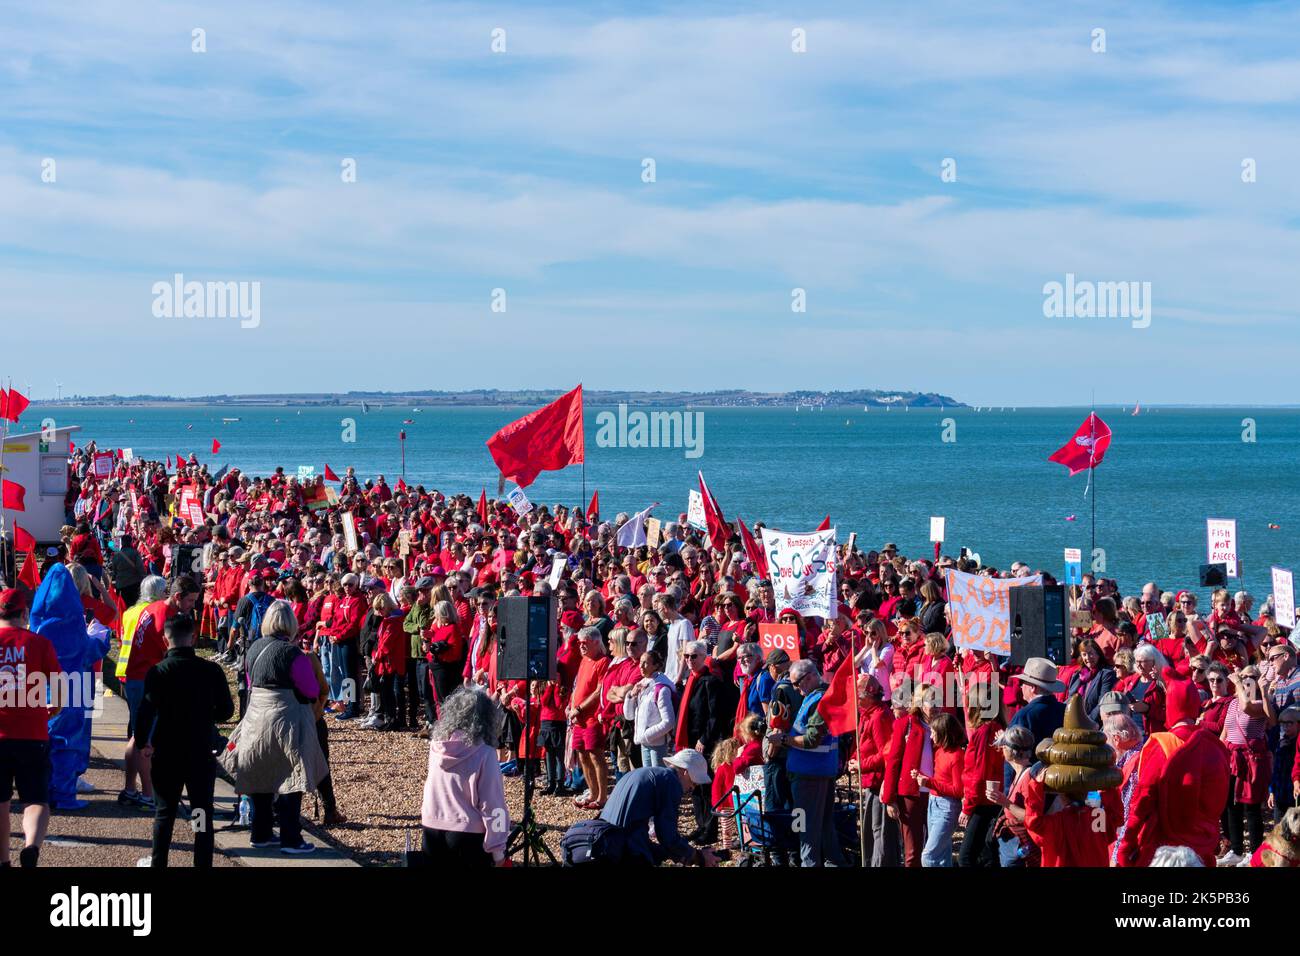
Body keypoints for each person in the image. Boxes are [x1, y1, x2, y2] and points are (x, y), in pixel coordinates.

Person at [220, 600, 328, 854]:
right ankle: (291, 838)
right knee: (292, 776)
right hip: (286, 718)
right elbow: (311, 689)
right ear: (291, 623)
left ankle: (261, 832)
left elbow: (250, 679)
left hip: (256, 715)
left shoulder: (255, 647)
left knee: (260, 774)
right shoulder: (293, 653)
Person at [133, 615, 234, 867]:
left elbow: (144, 712)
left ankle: (159, 862)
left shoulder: (158, 672)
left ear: (165, 640)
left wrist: (142, 742)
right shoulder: (211, 671)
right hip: (200, 749)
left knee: (164, 813)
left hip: (166, 750)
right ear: (194, 637)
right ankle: (201, 863)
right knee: (201, 812)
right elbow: (226, 711)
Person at [1116, 671, 1231, 868]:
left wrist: (1127, 846)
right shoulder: (1215, 747)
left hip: (1165, 851)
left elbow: (1142, 801)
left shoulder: (1162, 745)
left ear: (1170, 707)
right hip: (1203, 848)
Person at [30, 564, 112, 812]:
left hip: (43, 690)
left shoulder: (38, 627)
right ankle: (64, 795)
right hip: (73, 689)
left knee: (45, 741)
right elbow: (92, 650)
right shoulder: (74, 628)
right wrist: (101, 636)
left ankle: (41, 791)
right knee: (67, 742)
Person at [0, 589, 63, 868]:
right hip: (32, 732)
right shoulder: (39, 643)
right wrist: (55, 707)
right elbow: (60, 687)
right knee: (36, 799)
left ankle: (3, 860)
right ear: (24, 614)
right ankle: (31, 847)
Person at [419, 685, 510, 866]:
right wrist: (498, 849)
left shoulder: (436, 747)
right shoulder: (485, 753)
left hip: (431, 828)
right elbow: (493, 804)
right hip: (467, 835)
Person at [770, 659, 844, 867]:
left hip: (810, 776)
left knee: (804, 827)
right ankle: (832, 862)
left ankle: (810, 863)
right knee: (822, 825)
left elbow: (812, 739)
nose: (795, 688)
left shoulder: (819, 701)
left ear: (811, 677)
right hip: (815, 773)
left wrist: (783, 740)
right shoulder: (814, 697)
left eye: (797, 683)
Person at [596, 750, 719, 866]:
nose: (692, 789)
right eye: (694, 783)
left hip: (604, 840)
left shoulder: (647, 773)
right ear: (685, 771)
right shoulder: (671, 782)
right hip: (620, 848)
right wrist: (698, 856)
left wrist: (681, 854)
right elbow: (667, 836)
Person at [675, 638, 736, 841]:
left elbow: (715, 715)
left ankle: (710, 830)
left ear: (703, 657)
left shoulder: (711, 681)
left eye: (694, 656)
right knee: (694, 786)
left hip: (705, 742)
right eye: (687, 656)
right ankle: (701, 825)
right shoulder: (691, 680)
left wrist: (704, 738)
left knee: (706, 785)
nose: (690, 660)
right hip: (691, 740)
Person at [1217, 665, 1275, 866]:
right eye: (1243, 676)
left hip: (1251, 760)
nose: (1246, 679)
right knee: (1232, 805)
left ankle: (1255, 851)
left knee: (1251, 807)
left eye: (1251, 676)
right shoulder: (1232, 703)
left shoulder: (1260, 703)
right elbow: (1225, 732)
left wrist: (1238, 683)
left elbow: (1247, 707)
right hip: (1232, 758)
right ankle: (1236, 849)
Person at [916, 712, 966, 867]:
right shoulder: (939, 751)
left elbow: (958, 791)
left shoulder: (957, 756)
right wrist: (924, 779)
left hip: (947, 807)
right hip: (934, 803)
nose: (931, 737)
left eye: (934, 733)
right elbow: (940, 779)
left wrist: (929, 784)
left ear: (944, 734)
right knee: (942, 855)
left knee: (929, 856)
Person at [569, 626, 611, 810]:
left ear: (595, 642)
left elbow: (599, 691)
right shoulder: (584, 660)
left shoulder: (602, 661)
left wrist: (579, 708)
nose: (581, 646)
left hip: (592, 716)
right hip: (579, 717)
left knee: (596, 755)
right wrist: (571, 706)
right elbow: (577, 686)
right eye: (580, 643)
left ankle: (602, 796)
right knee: (582, 755)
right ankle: (592, 792)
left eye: (585, 643)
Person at [622, 647, 676, 767]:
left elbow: (668, 721)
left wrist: (646, 735)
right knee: (648, 776)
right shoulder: (641, 685)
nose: (641, 666)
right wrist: (631, 695)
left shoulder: (662, 689)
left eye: (645, 663)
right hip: (644, 742)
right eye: (640, 662)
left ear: (656, 665)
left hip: (658, 743)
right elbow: (629, 715)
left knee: (658, 777)